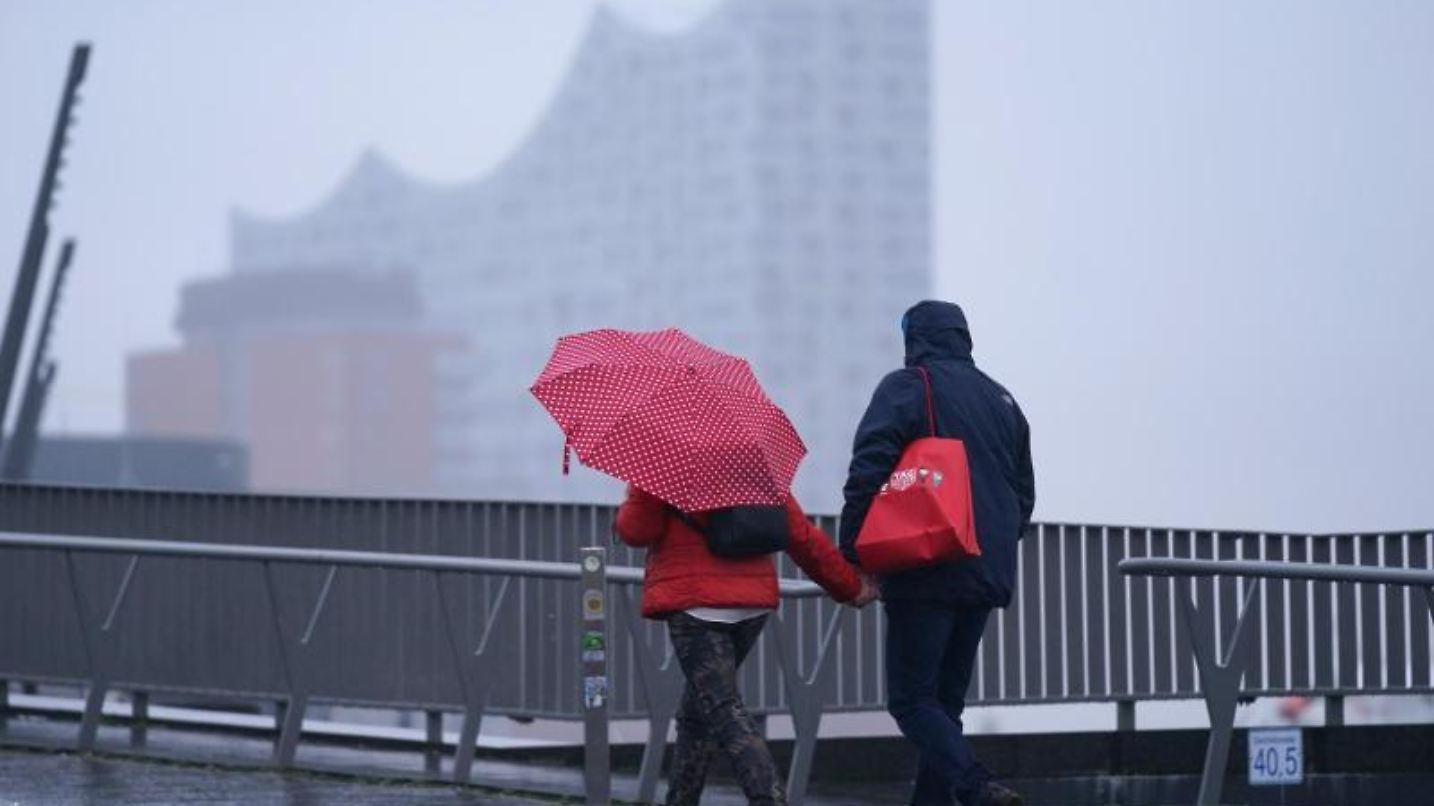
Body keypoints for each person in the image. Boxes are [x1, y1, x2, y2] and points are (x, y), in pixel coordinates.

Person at [839, 300, 1035, 806]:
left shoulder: (910, 385)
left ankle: (976, 788)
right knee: (943, 703)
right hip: (986, 569)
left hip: (926, 561)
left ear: (913, 339)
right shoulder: (1003, 399)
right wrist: (990, 548)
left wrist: (853, 551)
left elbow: (869, 467)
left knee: (911, 700)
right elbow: (1023, 495)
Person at [615, 485, 877, 806]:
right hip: (751, 605)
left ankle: (769, 797)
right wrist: (849, 586)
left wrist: (632, 500)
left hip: (696, 603)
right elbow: (799, 535)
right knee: (697, 712)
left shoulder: (662, 464)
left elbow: (637, 530)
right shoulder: (753, 459)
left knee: (723, 709)